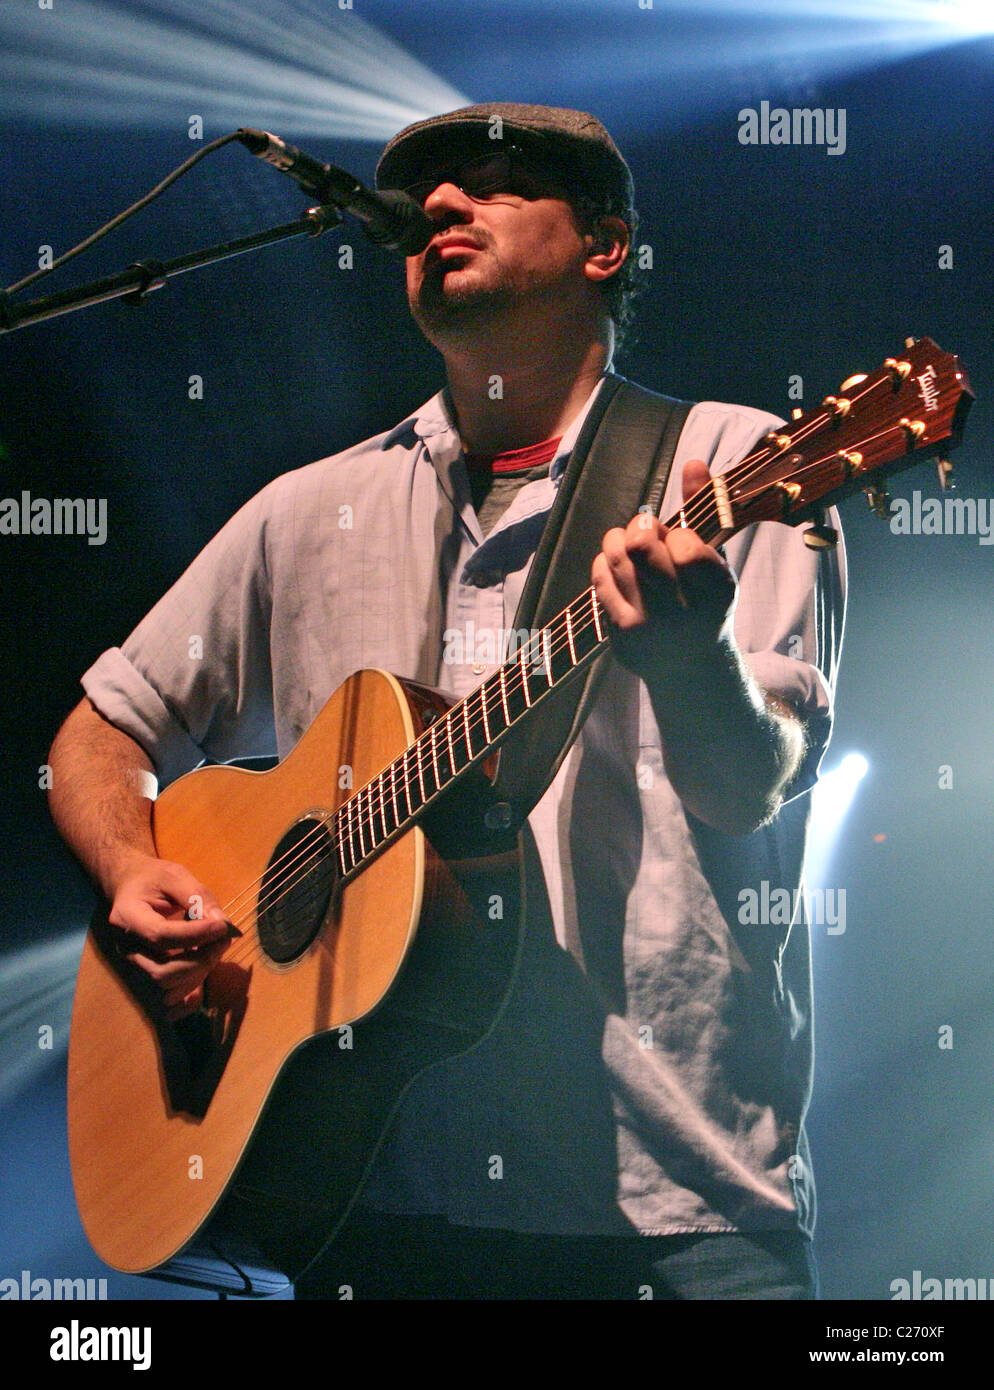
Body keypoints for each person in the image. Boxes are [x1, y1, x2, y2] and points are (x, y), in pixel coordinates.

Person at [48, 103, 844, 1299]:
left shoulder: (728, 467)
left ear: (605, 247)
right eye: (426, 193)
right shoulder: (307, 507)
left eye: (494, 182)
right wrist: (127, 872)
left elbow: (750, 791)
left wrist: (689, 665)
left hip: (675, 1216)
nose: (439, 207)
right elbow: (103, 726)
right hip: (369, 1195)